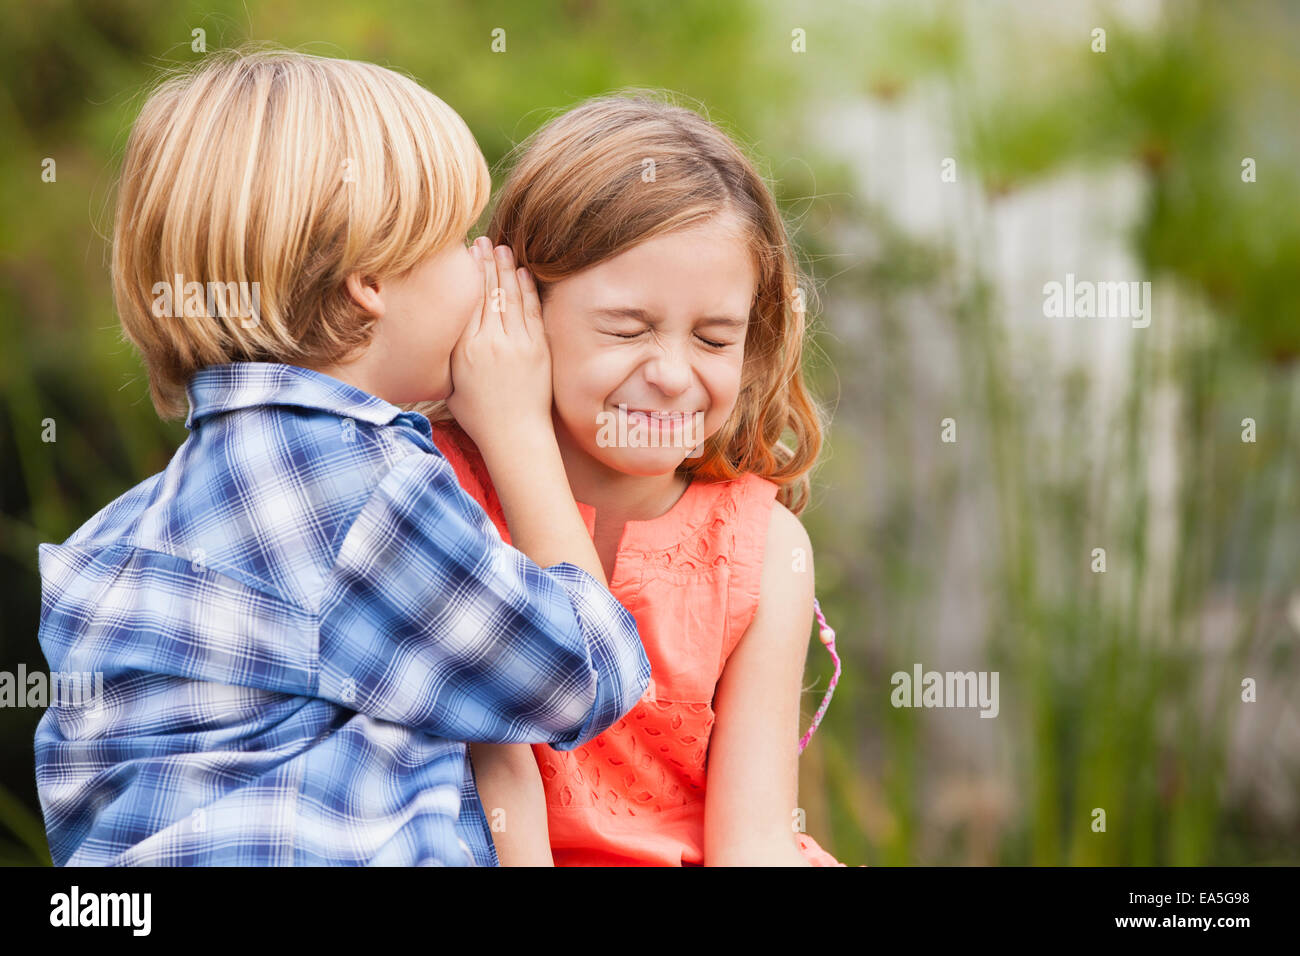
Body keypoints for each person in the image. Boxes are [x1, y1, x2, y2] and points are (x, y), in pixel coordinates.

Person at [32, 50, 649, 866]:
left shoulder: (117, 531)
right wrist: (519, 431)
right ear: (369, 283)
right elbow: (585, 671)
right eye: (461, 242)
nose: (483, 267)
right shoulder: (358, 492)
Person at [415, 91, 845, 865]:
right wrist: (512, 433)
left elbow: (751, 841)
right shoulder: (436, 491)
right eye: (627, 328)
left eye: (715, 338)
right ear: (517, 305)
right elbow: (481, 778)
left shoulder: (764, 546)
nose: (674, 375)